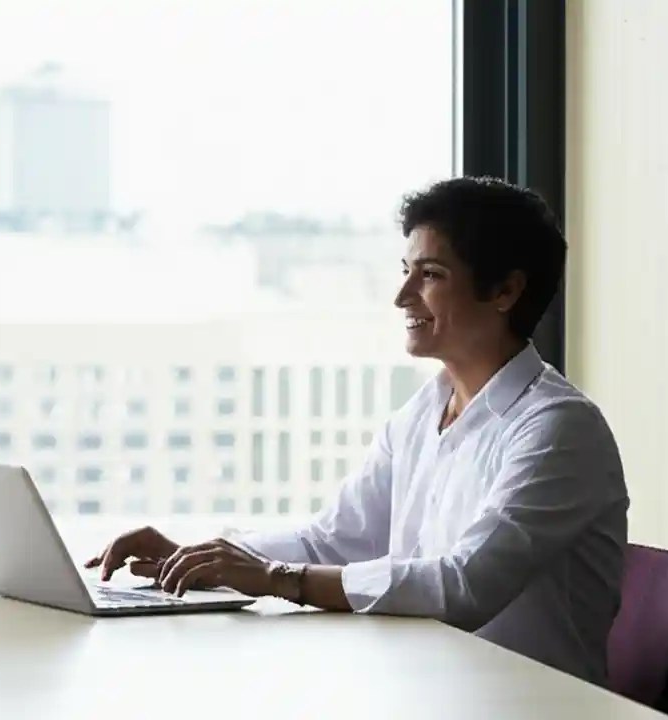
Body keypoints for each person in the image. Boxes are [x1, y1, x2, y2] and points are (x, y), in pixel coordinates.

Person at [85, 177, 628, 685]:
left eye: (431, 274)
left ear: (505, 290)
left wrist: (278, 579)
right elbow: (334, 540)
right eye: (406, 269)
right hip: (428, 688)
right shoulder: (425, 411)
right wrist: (205, 557)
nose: (402, 295)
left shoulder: (557, 429)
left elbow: (463, 586)